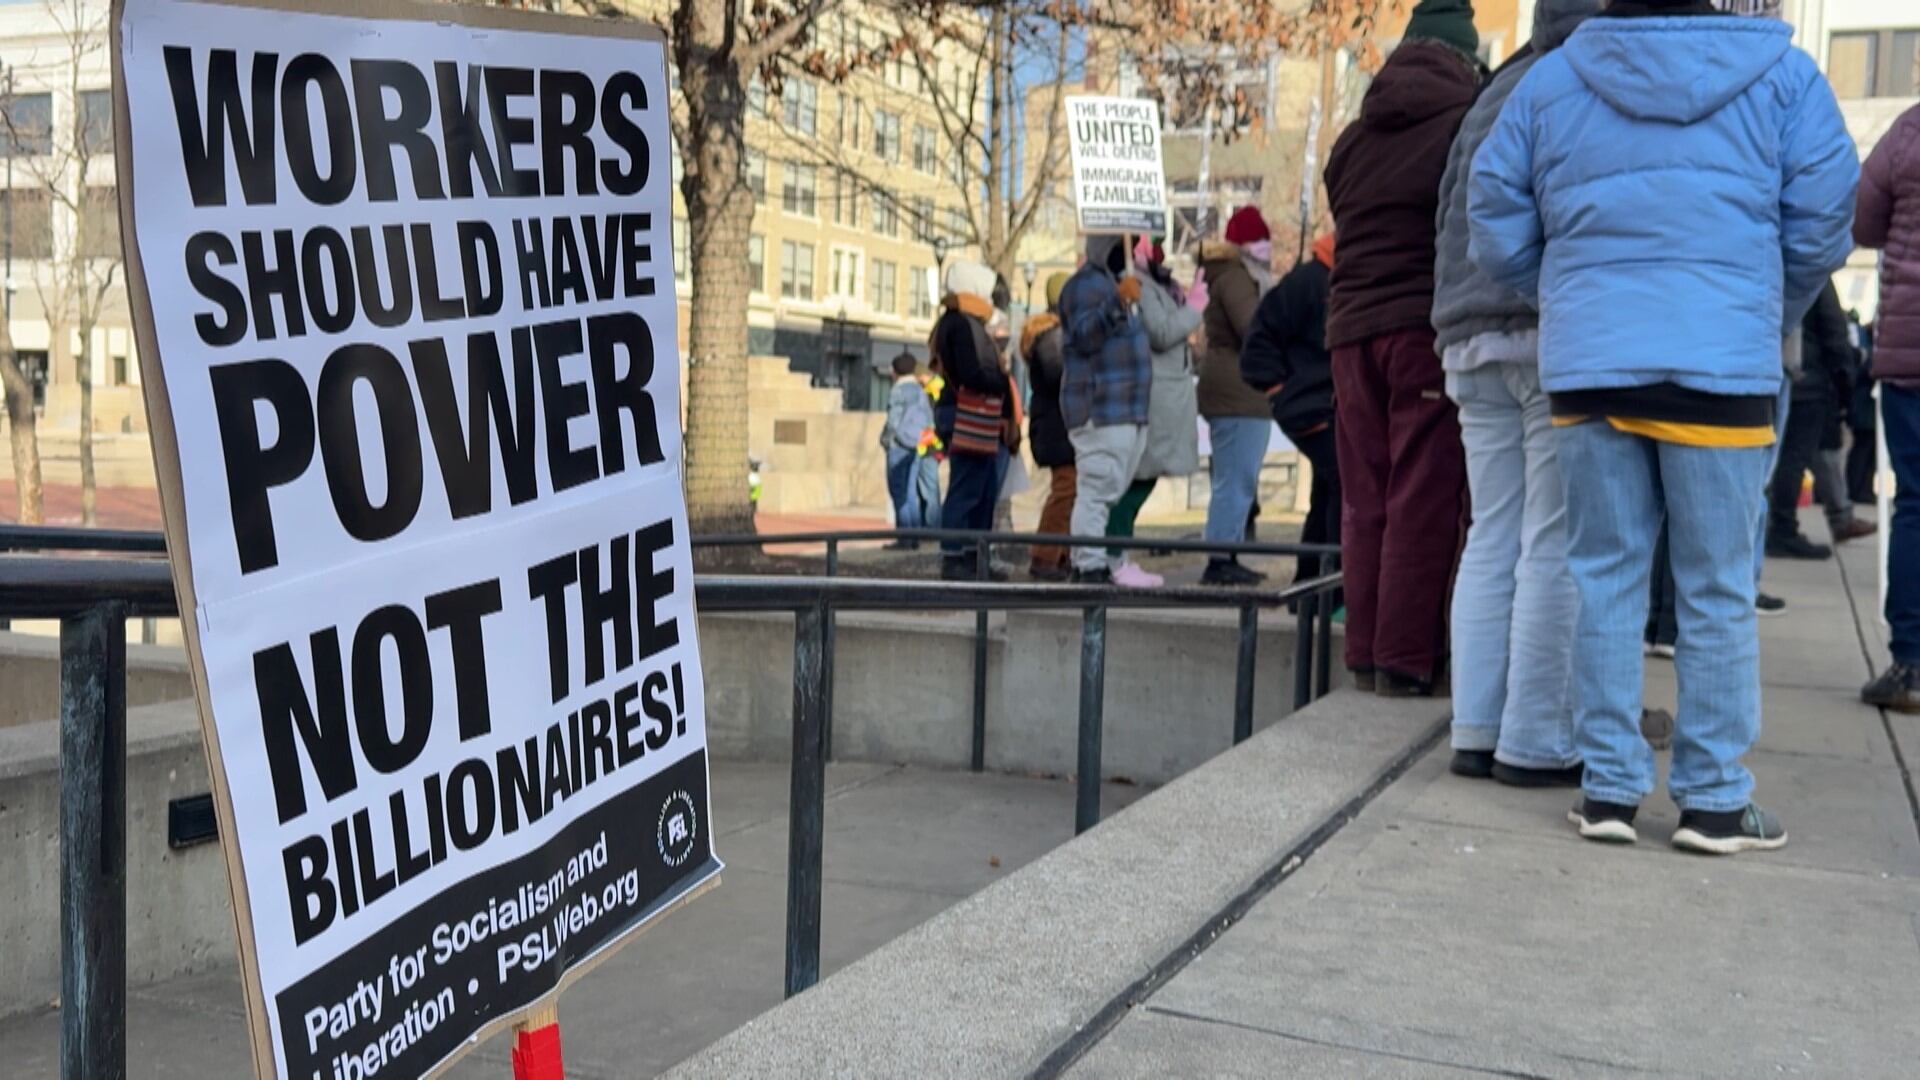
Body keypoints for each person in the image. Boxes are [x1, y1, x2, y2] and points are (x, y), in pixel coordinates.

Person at [1470, 0, 1858, 851]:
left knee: (1603, 575)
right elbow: (1828, 216)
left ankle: (1609, 788)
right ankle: (1714, 799)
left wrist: (1565, 296)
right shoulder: (1785, 77)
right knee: (1715, 586)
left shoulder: (1553, 81)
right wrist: (1767, 306)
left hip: (1593, 366)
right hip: (1720, 365)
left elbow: (1491, 217)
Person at [1432, 0, 1600, 784]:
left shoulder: (1492, 90)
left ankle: (1475, 726)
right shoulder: (1582, 82)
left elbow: (1449, 214)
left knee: (1492, 532)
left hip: (1464, 333)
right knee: (1552, 537)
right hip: (1541, 326)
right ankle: (1535, 738)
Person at [1324, 0, 1480, 694]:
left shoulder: (1353, 140)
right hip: (1421, 326)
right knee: (1424, 492)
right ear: (1464, 58)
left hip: (1348, 332)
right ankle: (1405, 660)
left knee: (1365, 497)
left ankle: (1363, 654)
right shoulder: (1466, 124)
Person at [1856, 100, 1920, 714]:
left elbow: (1861, 220)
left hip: (1912, 349)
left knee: (1917, 503)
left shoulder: (1908, 131)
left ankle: (1912, 663)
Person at [1058, 234, 1162, 587]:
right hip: (1101, 408)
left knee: (1111, 488)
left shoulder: (1118, 283)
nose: (1130, 254)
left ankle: (1092, 559)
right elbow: (1085, 335)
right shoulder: (1083, 286)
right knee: (1098, 488)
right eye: (1123, 246)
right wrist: (1118, 302)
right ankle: (1088, 565)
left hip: (1127, 409)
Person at [1241, 233, 1339, 586]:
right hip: (1310, 406)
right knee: (1342, 485)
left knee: (1329, 490)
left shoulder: (1331, 279)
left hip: (1323, 404)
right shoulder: (1309, 281)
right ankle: (1331, 587)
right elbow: (1258, 342)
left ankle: (1310, 586)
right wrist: (1281, 391)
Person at [1197, 206, 1279, 586]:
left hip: (1236, 389)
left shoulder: (1234, 276)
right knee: (1235, 479)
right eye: (1262, 240)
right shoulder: (1235, 278)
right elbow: (1253, 327)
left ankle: (1225, 553)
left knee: (1235, 477)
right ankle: (1219, 559)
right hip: (1237, 391)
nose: (1267, 247)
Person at [1110, 236, 1202, 552]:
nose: (1158, 248)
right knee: (1138, 474)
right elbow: (1161, 333)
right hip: (1157, 393)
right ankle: (1113, 549)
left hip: (1168, 392)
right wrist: (1193, 309)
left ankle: (1116, 549)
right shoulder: (1138, 283)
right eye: (1152, 242)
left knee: (1145, 473)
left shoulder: (1153, 282)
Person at [1768, 281, 1867, 559]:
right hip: (1809, 382)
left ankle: (1781, 526)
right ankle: (1783, 529)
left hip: (1781, 375)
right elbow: (1835, 334)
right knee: (1794, 460)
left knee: (1778, 460)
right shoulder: (1818, 280)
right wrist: (1846, 384)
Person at [932, 260, 1014, 581]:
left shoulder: (961, 322)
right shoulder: (962, 324)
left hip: (969, 413)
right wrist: (1000, 381)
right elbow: (971, 371)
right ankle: (955, 557)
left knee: (981, 488)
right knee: (968, 486)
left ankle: (971, 555)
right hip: (968, 413)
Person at [1025, 273, 1075, 580]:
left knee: (1073, 491)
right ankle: (1044, 556)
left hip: (1058, 424)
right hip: (1057, 426)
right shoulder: (1052, 336)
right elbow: (1061, 375)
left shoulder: (1055, 334)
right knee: (1066, 490)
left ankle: (1061, 554)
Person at [879, 352, 933, 548]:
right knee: (911, 493)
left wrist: (885, 441)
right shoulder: (921, 390)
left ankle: (904, 538)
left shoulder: (898, 390)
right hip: (917, 444)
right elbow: (928, 420)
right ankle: (914, 537)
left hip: (899, 445)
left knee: (899, 493)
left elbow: (893, 421)